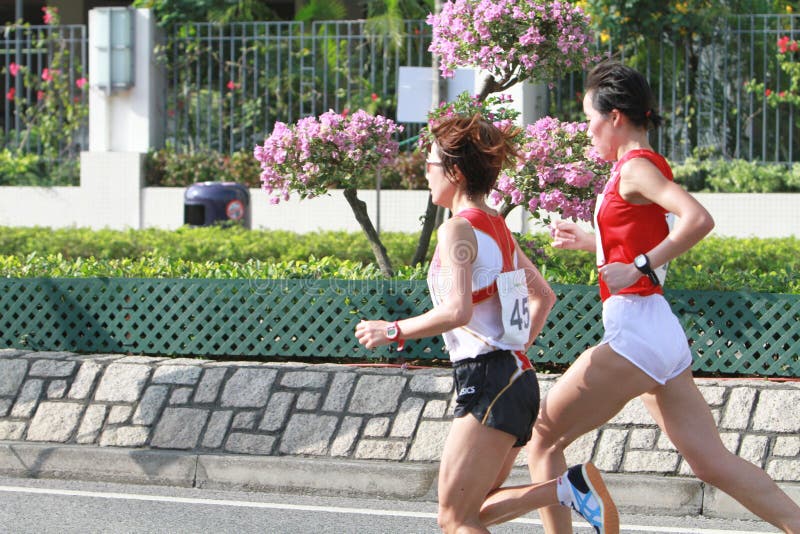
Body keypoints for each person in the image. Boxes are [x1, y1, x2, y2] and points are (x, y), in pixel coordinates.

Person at [519, 60, 800, 533]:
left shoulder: (635, 170)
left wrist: (640, 265)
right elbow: (647, 233)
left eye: (590, 120)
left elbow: (697, 219)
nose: (587, 132)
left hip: (636, 333)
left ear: (615, 118)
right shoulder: (637, 168)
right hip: (658, 333)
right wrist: (597, 242)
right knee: (711, 463)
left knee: (542, 438)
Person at [355, 113, 619, 534]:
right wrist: (513, 349)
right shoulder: (496, 226)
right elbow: (543, 297)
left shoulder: (457, 230)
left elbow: (458, 310)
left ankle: (567, 488)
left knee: (456, 519)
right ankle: (565, 488)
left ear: (455, 172)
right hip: (511, 378)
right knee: (469, 514)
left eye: (430, 165)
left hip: (491, 379)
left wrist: (393, 330)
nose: (425, 174)